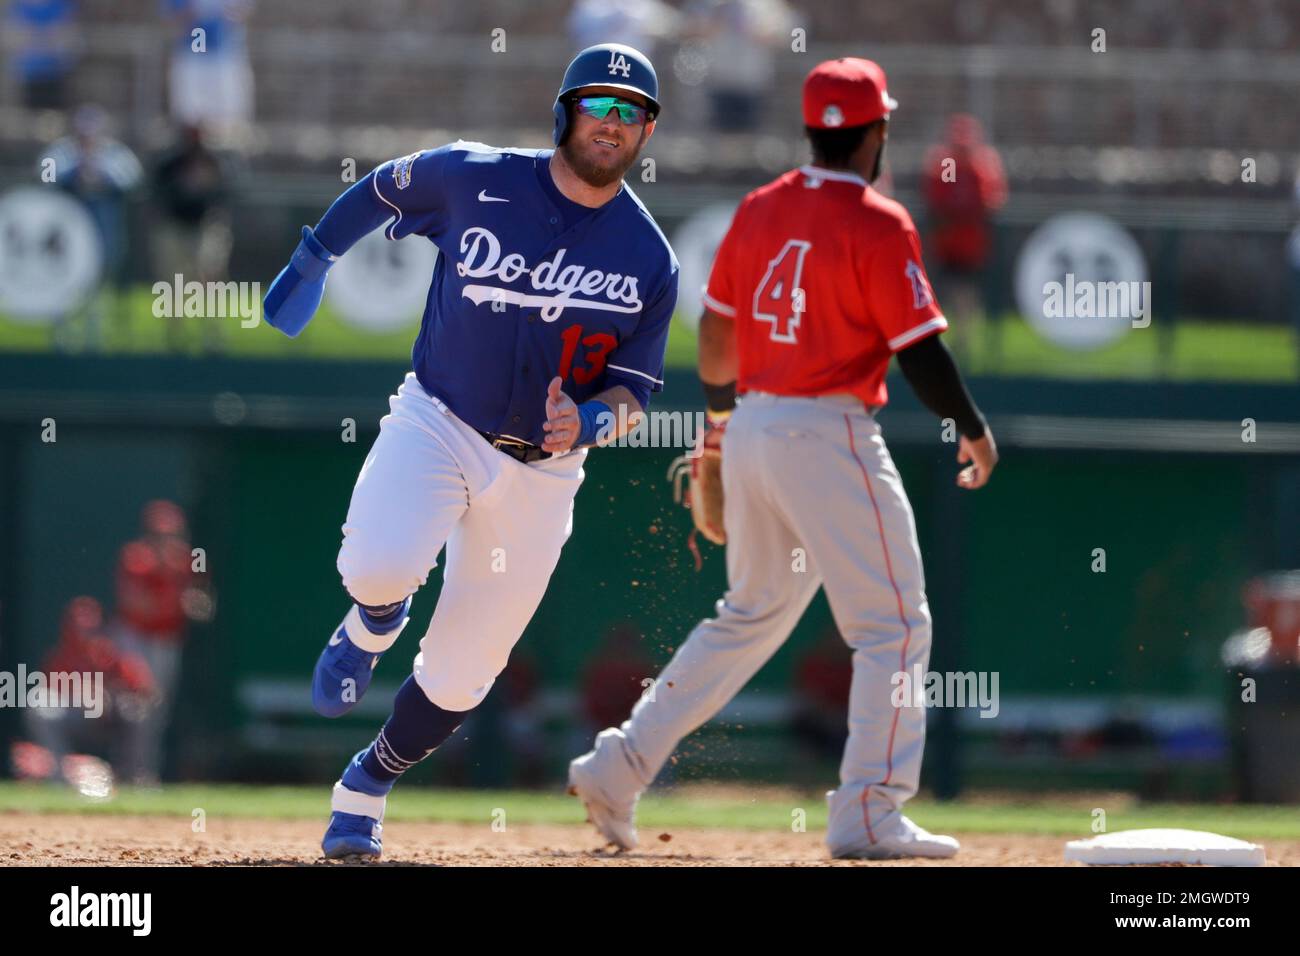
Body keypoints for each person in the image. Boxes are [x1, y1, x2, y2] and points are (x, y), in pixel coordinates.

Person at [568, 58, 998, 860]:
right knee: (895, 626)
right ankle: (869, 808)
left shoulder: (761, 208)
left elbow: (719, 330)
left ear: (811, 130)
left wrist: (723, 429)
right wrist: (971, 427)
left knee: (750, 615)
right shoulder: (879, 219)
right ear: (874, 133)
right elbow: (922, 353)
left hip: (758, 423)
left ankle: (619, 766)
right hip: (828, 431)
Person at [261, 43, 678, 860]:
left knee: (463, 674)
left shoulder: (650, 256)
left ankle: (364, 787)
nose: (614, 124)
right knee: (377, 565)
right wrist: (312, 258)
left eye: (632, 113)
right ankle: (376, 618)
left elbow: (637, 393)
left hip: (544, 471)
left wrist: (590, 425)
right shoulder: (473, 173)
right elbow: (380, 187)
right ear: (565, 113)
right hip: (441, 420)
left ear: (647, 133)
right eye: (600, 105)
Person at [109, 499, 212, 785]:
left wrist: (195, 603)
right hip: (134, 637)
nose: (165, 540)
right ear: (148, 534)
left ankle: (142, 776)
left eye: (171, 534)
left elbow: (202, 599)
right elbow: (136, 604)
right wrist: (175, 602)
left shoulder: (188, 559)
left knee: (155, 711)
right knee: (132, 705)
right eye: (159, 535)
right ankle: (124, 772)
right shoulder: (136, 557)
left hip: (165, 640)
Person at [19, 597, 156, 791]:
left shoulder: (111, 652)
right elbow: (50, 690)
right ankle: (60, 778)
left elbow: (145, 689)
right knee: (39, 706)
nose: (83, 631)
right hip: (76, 718)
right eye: (78, 625)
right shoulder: (62, 656)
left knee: (136, 710)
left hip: (111, 718)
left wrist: (110, 695)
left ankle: (134, 777)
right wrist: (82, 692)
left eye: (89, 626)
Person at [41, 105, 142, 349]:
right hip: (68, 226)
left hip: (102, 227)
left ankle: (92, 336)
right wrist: (73, 174)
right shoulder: (60, 153)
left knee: (97, 286)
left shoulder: (115, 153)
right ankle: (62, 335)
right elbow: (45, 176)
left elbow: (132, 179)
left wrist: (101, 176)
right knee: (63, 282)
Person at [920, 114, 1007, 359]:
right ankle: (945, 340)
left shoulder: (982, 167)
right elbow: (943, 198)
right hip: (947, 243)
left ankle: (963, 341)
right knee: (944, 293)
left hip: (972, 245)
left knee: (966, 294)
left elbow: (989, 201)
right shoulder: (948, 165)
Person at [150, 123, 235, 352]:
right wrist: (182, 188)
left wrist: (204, 189)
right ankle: (175, 335)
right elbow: (157, 189)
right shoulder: (170, 163)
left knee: (209, 280)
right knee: (174, 283)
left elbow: (227, 190)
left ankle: (212, 334)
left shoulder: (213, 161)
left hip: (205, 226)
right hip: (175, 226)